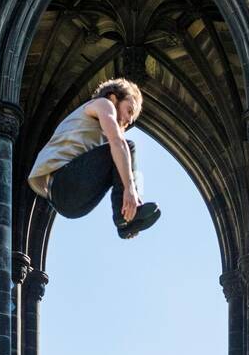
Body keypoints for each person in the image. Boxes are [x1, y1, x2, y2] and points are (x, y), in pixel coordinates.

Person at [27, 77, 161, 239]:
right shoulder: (103, 104)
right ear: (113, 98)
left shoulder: (100, 136)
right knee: (126, 147)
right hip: (63, 184)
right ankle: (124, 213)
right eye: (129, 111)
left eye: (131, 121)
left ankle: (126, 221)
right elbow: (118, 143)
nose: (129, 120)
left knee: (123, 160)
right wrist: (130, 189)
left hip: (71, 205)